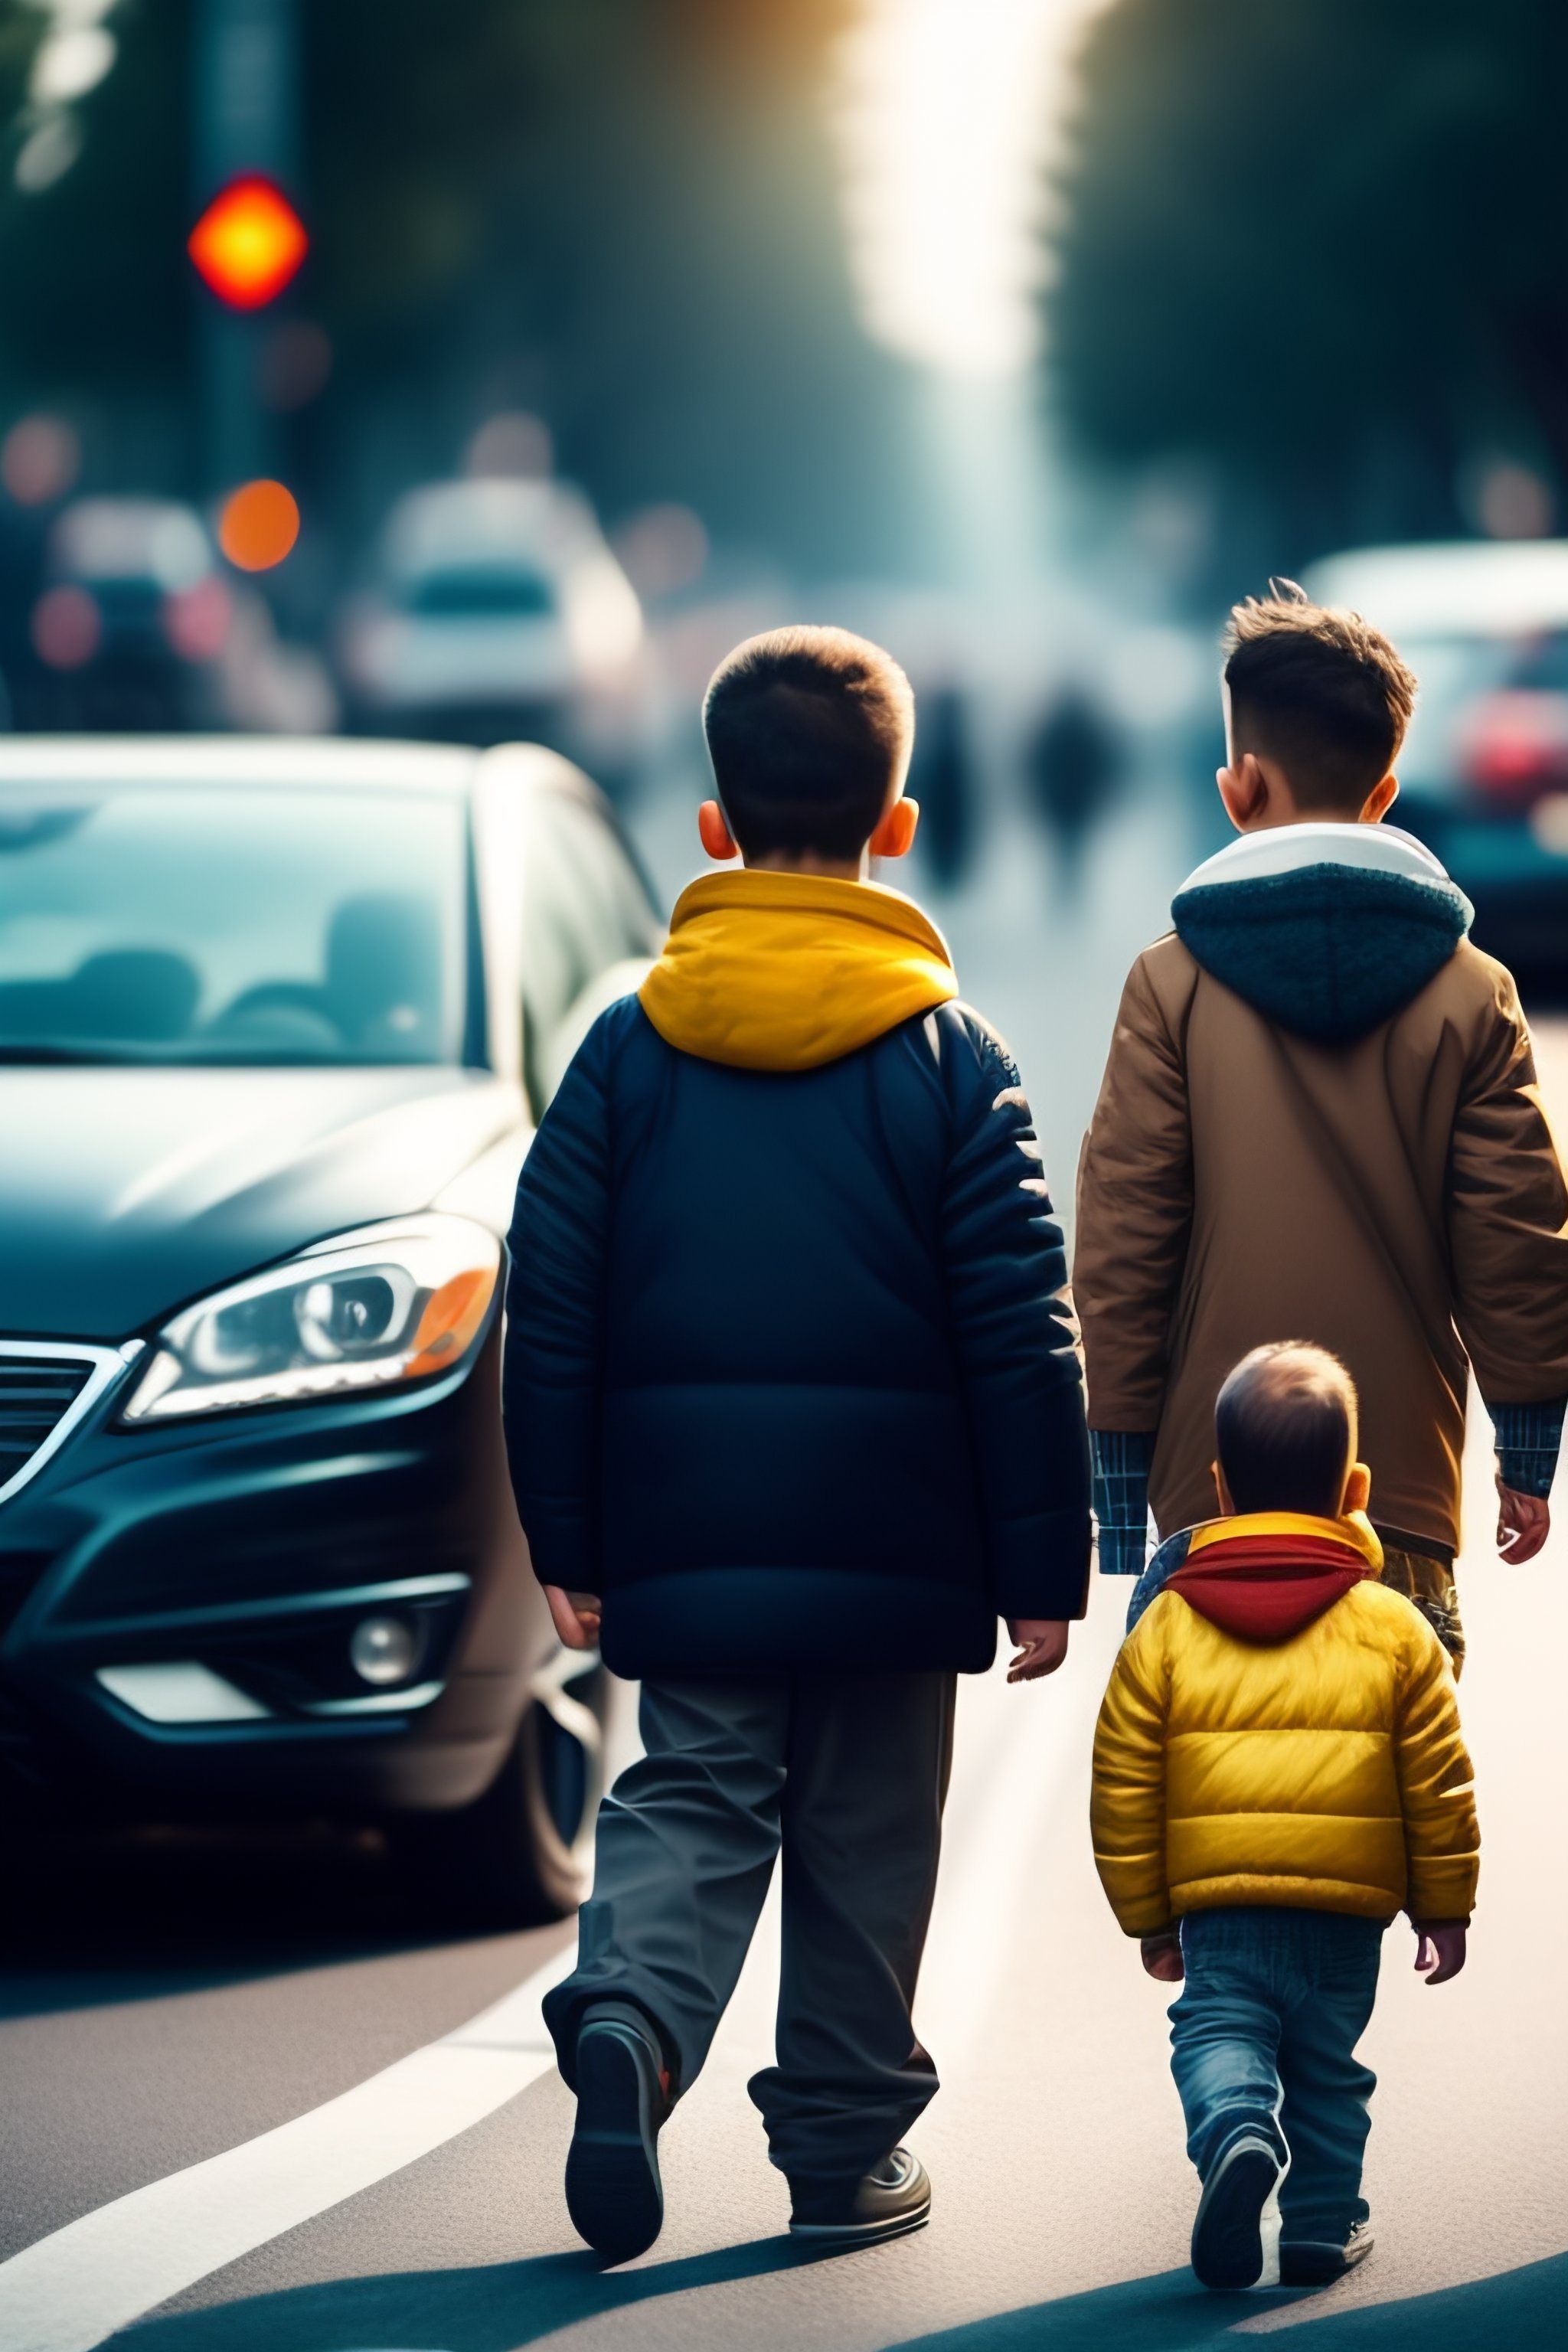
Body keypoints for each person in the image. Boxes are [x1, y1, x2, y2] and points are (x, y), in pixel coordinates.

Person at [503, 624, 1091, 2262]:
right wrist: (1042, 1563)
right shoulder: (948, 1061)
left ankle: (631, 2013)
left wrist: (568, 1540)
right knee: (867, 1834)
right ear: (896, 826)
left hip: (686, 1535)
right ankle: (839, 2156)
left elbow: (550, 1309)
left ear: (711, 825)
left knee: (690, 1791)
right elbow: (1018, 1329)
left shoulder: (621, 1055)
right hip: (901, 1548)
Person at [1076, 584, 1568, 1667]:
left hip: (1210, 1491)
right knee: (1390, 1790)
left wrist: (1120, 1490)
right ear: (1387, 791)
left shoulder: (1172, 985)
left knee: (1205, 1798)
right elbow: (1519, 1237)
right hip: (1395, 1495)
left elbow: (1124, 1239)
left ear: (1236, 786)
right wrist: (1526, 1452)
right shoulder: (1473, 990)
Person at [1091, 1341, 1478, 2292]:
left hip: (1222, 1909)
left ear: (1219, 1490)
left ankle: (1233, 2128)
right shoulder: (1395, 1627)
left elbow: (1122, 1779)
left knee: (1218, 2032)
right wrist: (1443, 1905)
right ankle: (1317, 2225)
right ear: (1353, 1487)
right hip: (1347, 1913)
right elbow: (1438, 1779)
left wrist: (1147, 1916)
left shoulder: (1168, 1624)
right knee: (1329, 2069)